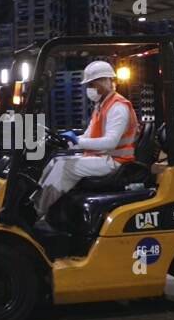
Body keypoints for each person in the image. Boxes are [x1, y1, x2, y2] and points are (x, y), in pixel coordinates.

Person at [33, 60, 138, 228]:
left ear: (105, 81)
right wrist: (68, 143)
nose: (89, 88)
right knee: (55, 161)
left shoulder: (118, 107)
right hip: (102, 157)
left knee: (65, 167)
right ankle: (36, 202)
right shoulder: (101, 106)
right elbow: (88, 135)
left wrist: (78, 141)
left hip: (116, 162)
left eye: (91, 84)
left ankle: (36, 212)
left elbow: (110, 142)